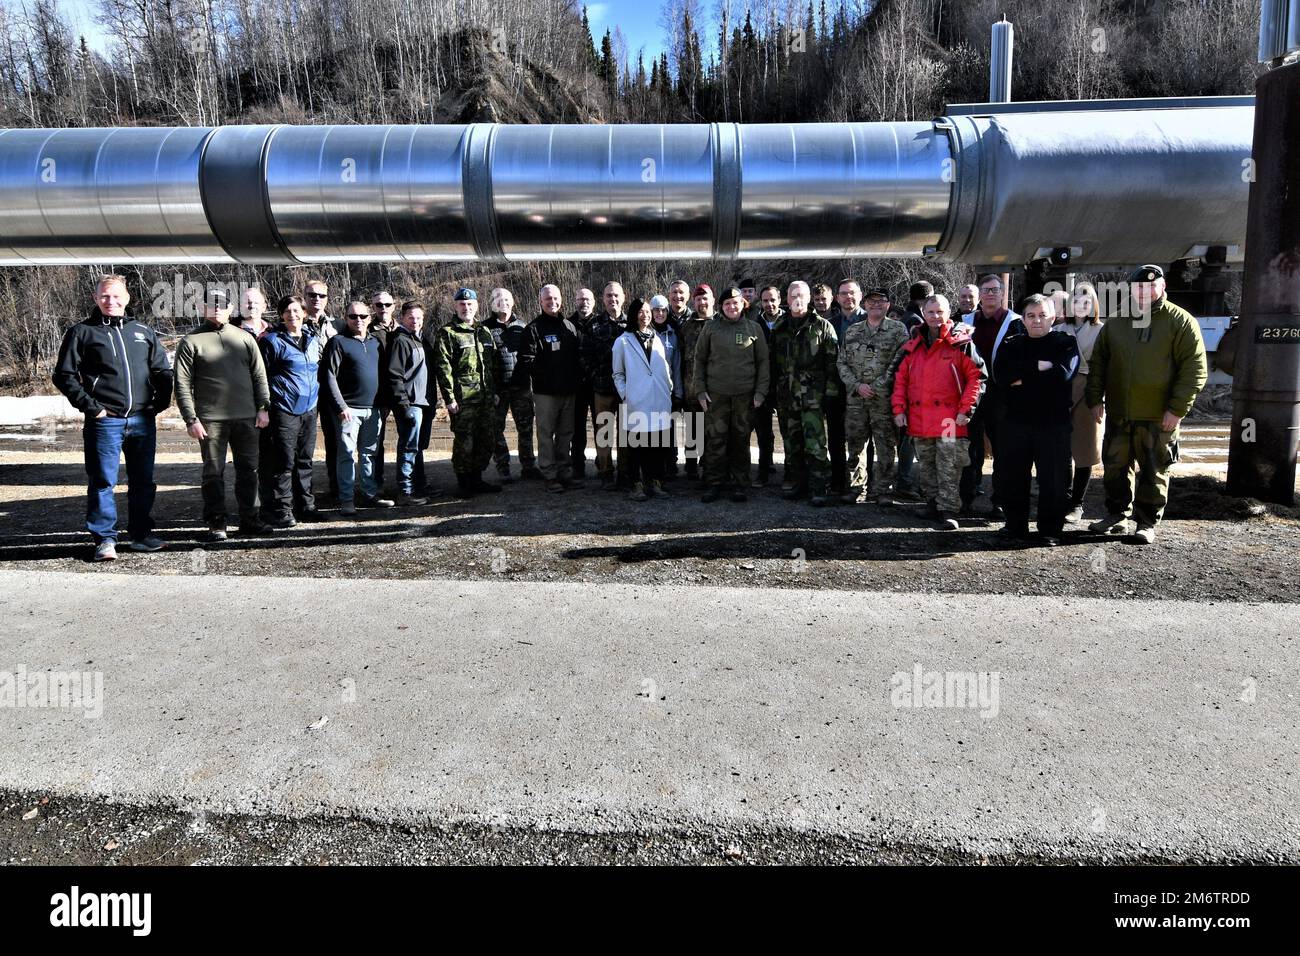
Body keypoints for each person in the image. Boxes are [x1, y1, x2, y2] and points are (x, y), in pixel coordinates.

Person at [53, 274, 173, 561]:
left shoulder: (143, 331)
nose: (111, 301)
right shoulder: (82, 332)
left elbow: (162, 371)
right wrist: (91, 406)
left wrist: (160, 403)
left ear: (127, 298)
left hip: (142, 421)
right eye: (105, 296)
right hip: (105, 421)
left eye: (116, 295)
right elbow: (64, 375)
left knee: (143, 481)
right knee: (103, 481)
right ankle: (105, 539)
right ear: (96, 299)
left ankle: (141, 535)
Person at [1085, 264, 1208, 544]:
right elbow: (1099, 364)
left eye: (1152, 286)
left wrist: (1177, 409)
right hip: (1119, 412)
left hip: (1158, 415)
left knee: (1155, 470)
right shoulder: (1117, 322)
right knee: (1115, 467)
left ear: (1162, 287)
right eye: (1139, 287)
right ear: (1131, 289)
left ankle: (1146, 522)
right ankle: (1117, 515)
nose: (1145, 291)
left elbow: (1195, 369)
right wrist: (1095, 398)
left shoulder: (1180, 321)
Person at [174, 289, 272, 540]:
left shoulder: (244, 338)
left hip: (247, 417)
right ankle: (216, 522)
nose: (217, 308)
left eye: (222, 304)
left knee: (249, 470)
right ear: (202, 307)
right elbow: (182, 385)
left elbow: (259, 375)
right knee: (213, 472)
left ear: (231, 308)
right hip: (210, 421)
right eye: (211, 304)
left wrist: (263, 408)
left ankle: (251, 520)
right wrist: (191, 419)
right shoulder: (191, 341)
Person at [890, 294, 985, 531]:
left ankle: (949, 510)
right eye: (931, 312)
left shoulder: (960, 343)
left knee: (949, 465)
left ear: (948, 312)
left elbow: (977, 377)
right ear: (923, 313)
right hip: (920, 418)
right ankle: (932, 503)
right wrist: (899, 409)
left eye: (940, 312)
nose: (935, 316)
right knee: (927, 465)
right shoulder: (913, 345)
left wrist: (966, 409)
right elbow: (901, 380)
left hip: (949, 419)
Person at [993, 294, 1080, 545]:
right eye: (1031, 315)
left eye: (1042, 315)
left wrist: (1022, 376)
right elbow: (1002, 377)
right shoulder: (1011, 344)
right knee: (1013, 477)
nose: (1037, 320)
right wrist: (1040, 368)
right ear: (1023, 319)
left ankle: (1050, 530)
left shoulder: (1064, 343)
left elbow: (1063, 375)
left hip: (1053, 423)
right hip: (1016, 422)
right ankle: (1015, 526)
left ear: (1053, 317)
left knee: (1053, 479)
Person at [695, 287, 770, 503]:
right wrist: (700, 390)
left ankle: (740, 484)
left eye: (735, 302)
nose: (731, 307)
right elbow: (699, 360)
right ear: (721, 306)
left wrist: (760, 392)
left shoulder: (753, 328)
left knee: (740, 441)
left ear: (743, 304)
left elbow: (763, 362)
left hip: (745, 397)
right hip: (716, 397)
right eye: (727, 304)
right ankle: (714, 484)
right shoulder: (710, 328)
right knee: (715, 442)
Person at [770, 280, 841, 506]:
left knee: (816, 445)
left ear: (809, 298)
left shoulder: (822, 327)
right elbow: (772, 364)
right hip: (786, 397)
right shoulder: (779, 328)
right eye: (793, 295)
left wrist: (830, 395)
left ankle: (819, 487)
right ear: (787, 299)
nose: (797, 299)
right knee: (792, 444)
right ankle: (798, 483)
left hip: (813, 398)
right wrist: (772, 393)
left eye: (801, 294)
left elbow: (833, 364)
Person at [960, 274, 1023, 520]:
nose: (989, 294)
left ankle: (1000, 500)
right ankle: (965, 498)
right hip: (970, 394)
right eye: (985, 290)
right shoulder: (964, 322)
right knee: (968, 448)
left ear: (1002, 293)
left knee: (1003, 449)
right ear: (980, 294)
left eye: (994, 290)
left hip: (1002, 395)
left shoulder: (1015, 322)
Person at [838, 287, 909, 505]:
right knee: (855, 445)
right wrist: (856, 385)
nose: (876, 304)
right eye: (871, 301)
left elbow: (900, 362)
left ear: (888, 305)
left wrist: (878, 385)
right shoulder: (853, 331)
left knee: (886, 445)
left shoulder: (898, 330)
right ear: (865, 304)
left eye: (881, 301)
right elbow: (841, 362)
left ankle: (882, 490)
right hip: (856, 398)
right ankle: (857, 487)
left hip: (883, 399)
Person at [258, 294, 323, 527]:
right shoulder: (272, 341)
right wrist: (263, 408)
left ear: (305, 313)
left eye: (297, 311)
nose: (292, 315)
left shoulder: (312, 338)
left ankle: (306, 506)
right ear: (281, 315)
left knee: (305, 459)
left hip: (309, 408)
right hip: (284, 409)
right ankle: (283, 509)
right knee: (284, 462)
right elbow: (260, 377)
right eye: (288, 311)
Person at [324, 301, 394, 516]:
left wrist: (383, 405)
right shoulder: (338, 342)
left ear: (369, 318)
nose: (359, 320)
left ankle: (369, 494)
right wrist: (341, 406)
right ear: (346, 318)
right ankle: (346, 499)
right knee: (345, 454)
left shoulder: (375, 343)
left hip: (373, 410)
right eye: (353, 316)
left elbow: (383, 375)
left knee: (369, 454)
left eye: (363, 316)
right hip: (349, 410)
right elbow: (328, 376)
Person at [434, 288, 504, 498]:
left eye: (470, 304)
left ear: (477, 306)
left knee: (487, 440)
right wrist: (449, 398)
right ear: (456, 306)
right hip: (462, 400)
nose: (466, 308)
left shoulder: (484, 331)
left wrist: (495, 391)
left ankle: (477, 478)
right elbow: (443, 367)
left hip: (485, 397)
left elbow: (493, 365)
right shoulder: (448, 333)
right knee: (465, 442)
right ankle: (464, 483)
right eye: (462, 304)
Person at [520, 284, 583, 493]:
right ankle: (549, 474)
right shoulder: (533, 329)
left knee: (566, 434)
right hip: (545, 393)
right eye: (548, 299)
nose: (552, 302)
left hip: (569, 392)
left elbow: (577, 358)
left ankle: (565, 473)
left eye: (556, 298)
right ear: (540, 301)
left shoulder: (569, 326)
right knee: (546, 434)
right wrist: (548, 375)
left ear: (561, 300)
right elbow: (527, 360)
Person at [612, 297, 675, 500]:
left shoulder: (656, 338)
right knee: (636, 446)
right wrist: (626, 394)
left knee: (656, 445)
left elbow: (664, 366)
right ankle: (636, 484)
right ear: (633, 314)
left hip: (658, 398)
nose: (646, 315)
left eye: (648, 311)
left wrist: (669, 387)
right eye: (641, 311)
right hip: (636, 401)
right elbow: (618, 374)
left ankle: (654, 482)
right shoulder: (623, 341)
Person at [483, 287, 540, 482]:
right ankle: (503, 467)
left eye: (507, 299)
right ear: (492, 303)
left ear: (513, 302)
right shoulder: (484, 329)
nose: (503, 303)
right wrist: (490, 389)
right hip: (497, 389)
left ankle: (528, 466)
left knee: (525, 428)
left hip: (521, 387)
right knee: (495, 429)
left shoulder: (524, 327)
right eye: (498, 299)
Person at [386, 300, 437, 507]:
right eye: (410, 318)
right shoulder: (400, 341)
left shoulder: (422, 340)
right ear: (402, 319)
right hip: (410, 403)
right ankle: (405, 491)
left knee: (418, 447)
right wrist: (403, 405)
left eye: (418, 318)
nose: (415, 321)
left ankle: (420, 485)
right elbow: (394, 375)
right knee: (408, 446)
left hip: (425, 402)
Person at [1062, 282, 1105, 523]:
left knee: (1085, 448)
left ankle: (1077, 503)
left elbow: (1104, 367)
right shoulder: (1059, 328)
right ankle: (1062, 497)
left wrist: (1099, 398)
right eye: (1076, 301)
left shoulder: (1101, 330)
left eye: (1086, 302)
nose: (1081, 306)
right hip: (1060, 392)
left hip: (1090, 392)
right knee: (1061, 449)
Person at [577, 282, 627, 490]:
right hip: (602, 388)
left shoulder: (632, 324)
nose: (612, 299)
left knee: (627, 433)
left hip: (627, 390)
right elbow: (584, 355)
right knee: (604, 432)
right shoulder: (594, 325)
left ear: (623, 297)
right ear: (603, 299)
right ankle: (606, 471)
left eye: (616, 295)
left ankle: (626, 472)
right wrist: (595, 375)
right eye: (608, 296)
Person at [304, 279, 342, 501]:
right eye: (311, 295)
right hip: (304, 389)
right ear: (305, 296)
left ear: (327, 298)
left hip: (331, 389)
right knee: (304, 442)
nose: (316, 299)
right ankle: (303, 493)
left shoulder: (338, 326)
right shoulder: (294, 321)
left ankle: (338, 489)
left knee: (336, 441)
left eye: (321, 295)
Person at [677, 284, 714, 482]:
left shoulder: (720, 323)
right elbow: (680, 359)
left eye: (705, 298)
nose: (702, 302)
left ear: (713, 300)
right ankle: (691, 468)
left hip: (715, 391)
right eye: (698, 299)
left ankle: (709, 470)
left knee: (711, 434)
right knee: (692, 432)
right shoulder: (687, 326)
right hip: (691, 390)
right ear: (694, 301)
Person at [649, 294, 685, 480]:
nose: (660, 313)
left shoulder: (673, 333)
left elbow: (677, 365)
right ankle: (655, 470)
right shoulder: (645, 332)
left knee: (669, 430)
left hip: (669, 391)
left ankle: (671, 466)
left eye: (663, 310)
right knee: (653, 431)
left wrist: (678, 392)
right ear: (651, 311)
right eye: (656, 310)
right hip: (650, 391)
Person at [368, 289, 398, 495]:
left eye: (387, 305)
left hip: (403, 393)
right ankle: (375, 486)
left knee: (409, 441)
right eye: (379, 305)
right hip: (378, 395)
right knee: (375, 444)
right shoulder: (367, 330)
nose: (383, 309)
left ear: (394, 306)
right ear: (374, 308)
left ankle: (411, 483)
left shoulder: (404, 328)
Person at [569, 287, 598, 479]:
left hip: (599, 385)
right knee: (577, 430)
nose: (584, 302)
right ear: (575, 302)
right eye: (580, 299)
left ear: (594, 302)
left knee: (602, 427)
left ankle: (604, 466)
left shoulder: (602, 322)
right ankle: (577, 467)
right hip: (575, 386)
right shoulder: (567, 324)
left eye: (587, 299)